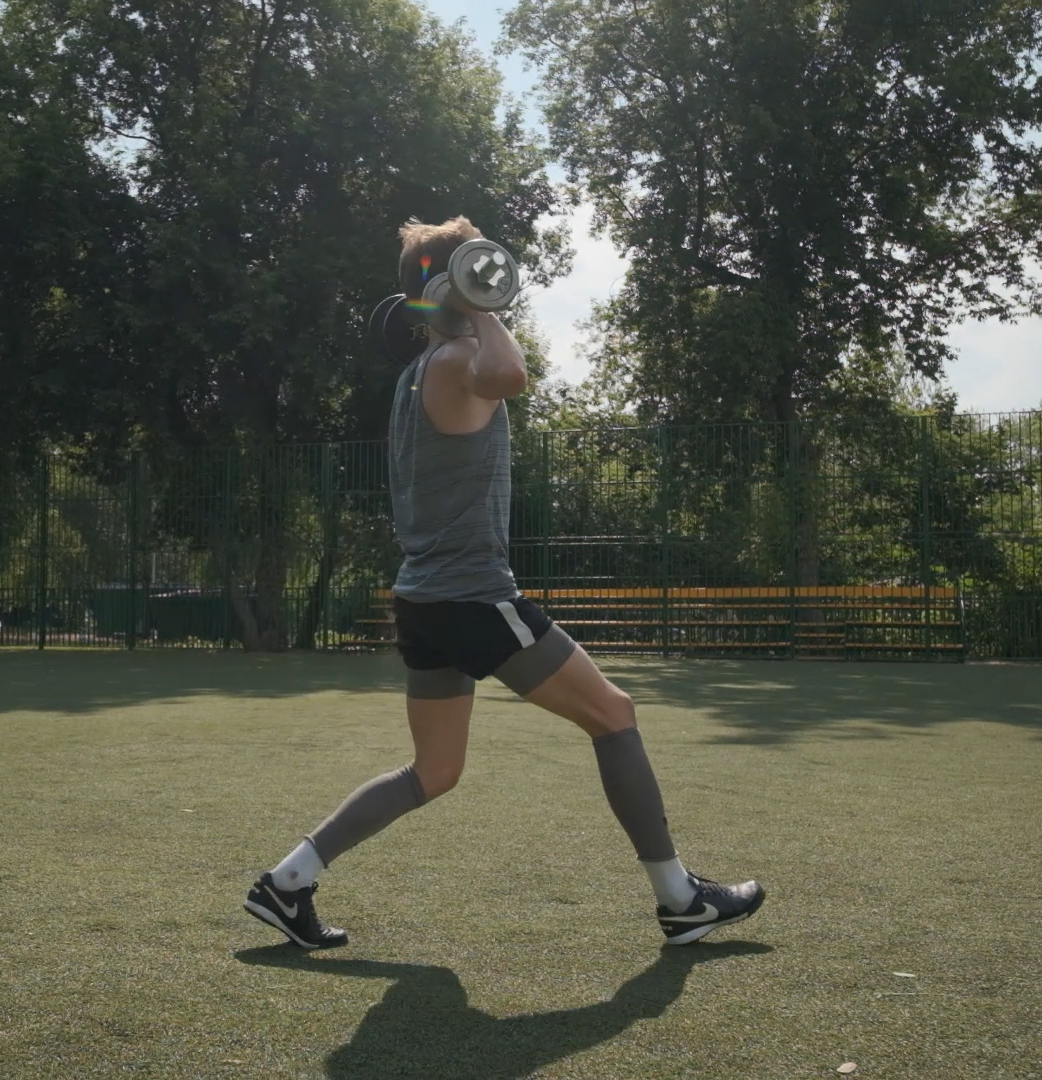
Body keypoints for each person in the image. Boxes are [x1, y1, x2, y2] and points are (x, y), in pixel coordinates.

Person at [244, 216, 764, 949]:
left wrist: (460, 300)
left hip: (424, 600)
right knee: (614, 715)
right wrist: (483, 307)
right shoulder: (458, 359)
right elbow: (513, 376)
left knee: (435, 769)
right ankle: (681, 901)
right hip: (473, 597)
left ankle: (286, 882)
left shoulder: (416, 372)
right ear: (452, 282)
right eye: (475, 266)